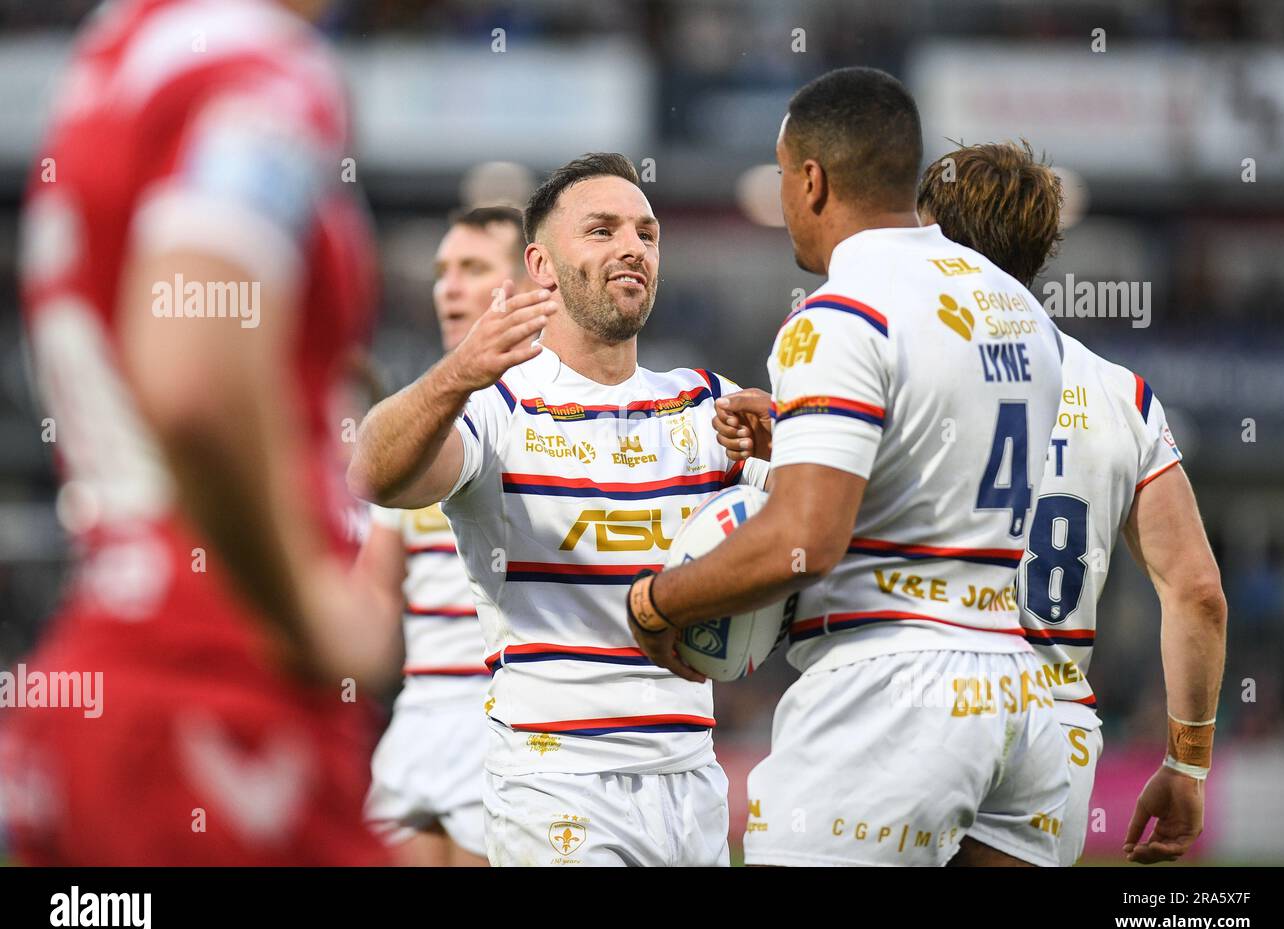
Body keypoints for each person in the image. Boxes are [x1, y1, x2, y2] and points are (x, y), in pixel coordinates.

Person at [627, 68, 1069, 867]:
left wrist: (659, 602)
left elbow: (806, 540)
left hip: (890, 696)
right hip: (1018, 690)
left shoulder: (837, 316)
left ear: (811, 179)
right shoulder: (1016, 306)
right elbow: (936, 461)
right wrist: (793, 444)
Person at [2, 0, 399, 864]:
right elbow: (195, 380)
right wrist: (314, 618)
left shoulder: (124, 55)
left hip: (119, 678)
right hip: (220, 695)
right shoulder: (258, 68)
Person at [348, 153, 768, 867]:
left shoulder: (707, 400)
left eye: (647, 232)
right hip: (556, 782)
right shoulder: (500, 405)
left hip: (691, 777)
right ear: (540, 265)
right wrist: (456, 374)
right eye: (602, 230)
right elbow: (374, 475)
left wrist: (784, 447)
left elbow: (816, 536)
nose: (633, 246)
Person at [915, 141, 1227, 864]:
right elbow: (1199, 593)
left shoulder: (893, 362)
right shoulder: (1124, 395)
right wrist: (1186, 763)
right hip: (1049, 729)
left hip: (919, 702)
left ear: (933, 237)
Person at [361, 207, 536, 866]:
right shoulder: (410, 426)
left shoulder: (551, 410)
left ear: (531, 284)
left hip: (503, 716)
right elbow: (377, 592)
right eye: (441, 272)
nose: (449, 289)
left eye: (473, 269)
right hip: (417, 715)